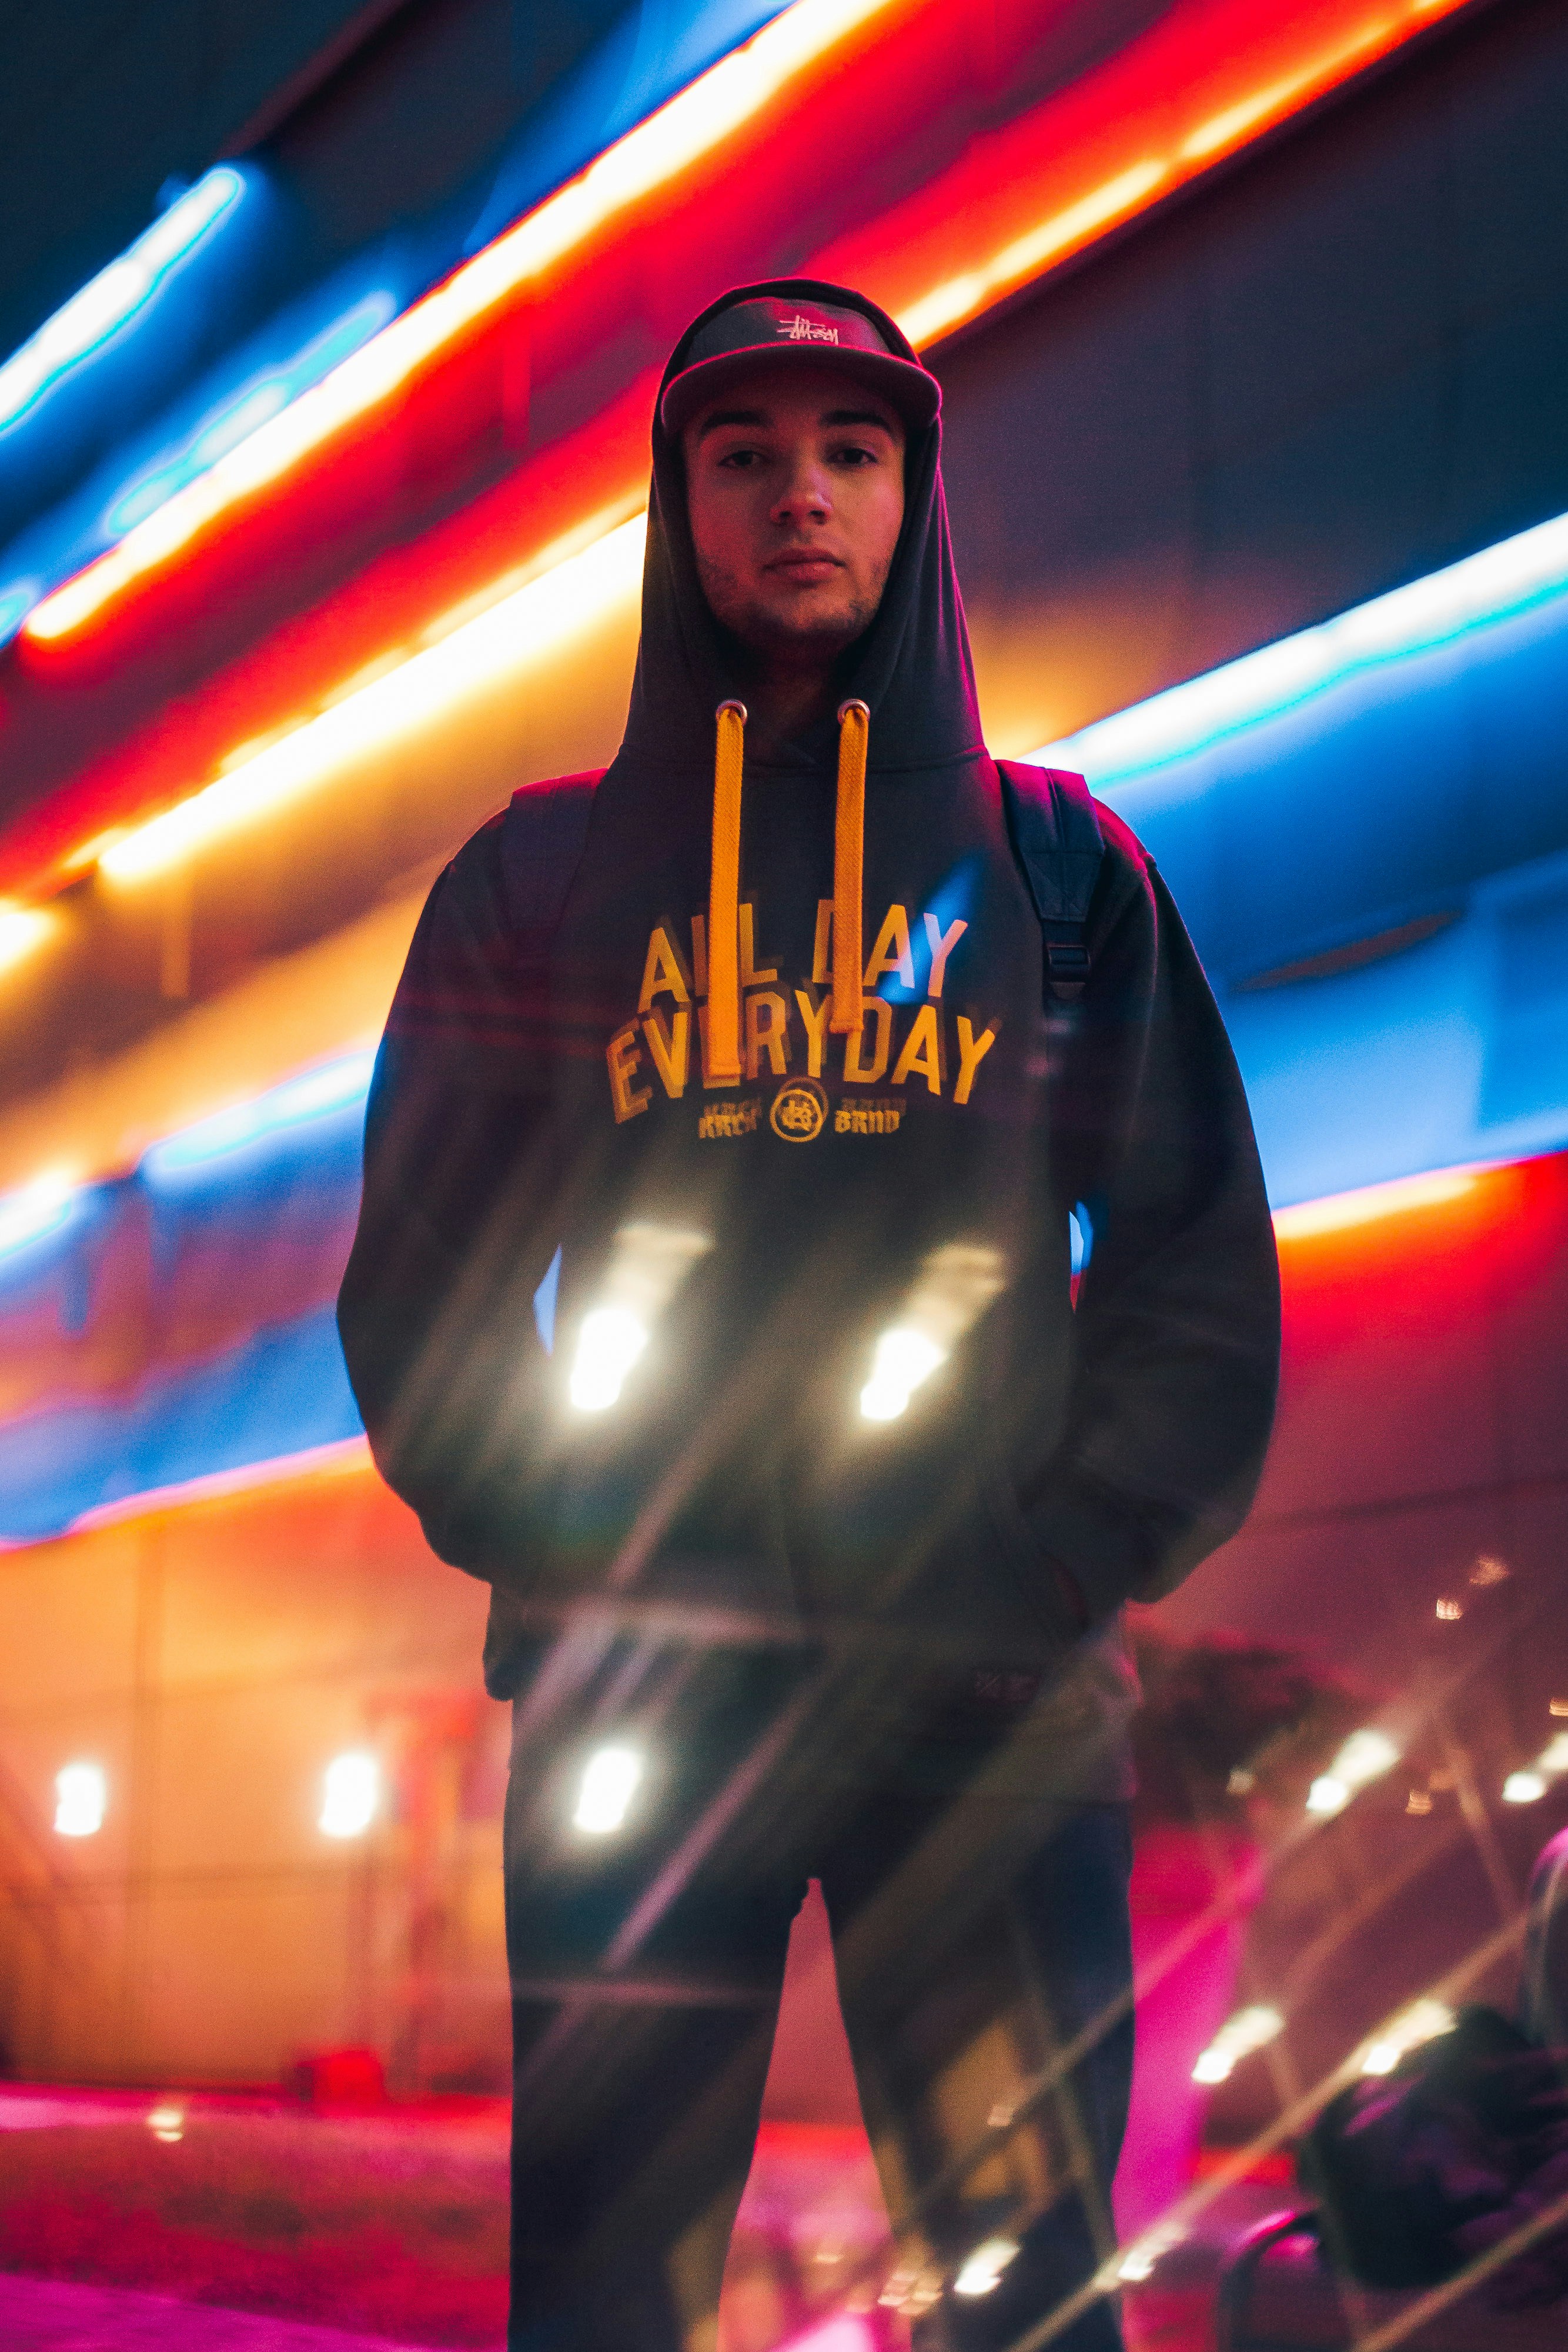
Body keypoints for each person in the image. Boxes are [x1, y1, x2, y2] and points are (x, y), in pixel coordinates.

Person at [337, 280, 1281, 2352]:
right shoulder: (539, 884)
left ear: (913, 495)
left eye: (849, 452)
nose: (798, 496)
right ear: (677, 501)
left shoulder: (1056, 871)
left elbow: (1192, 1256)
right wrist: (585, 1559)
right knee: (611, 2279)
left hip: (991, 1697)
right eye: (743, 450)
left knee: (1022, 2287)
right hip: (646, 1709)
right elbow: (424, 1283)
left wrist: (1057, 1564)